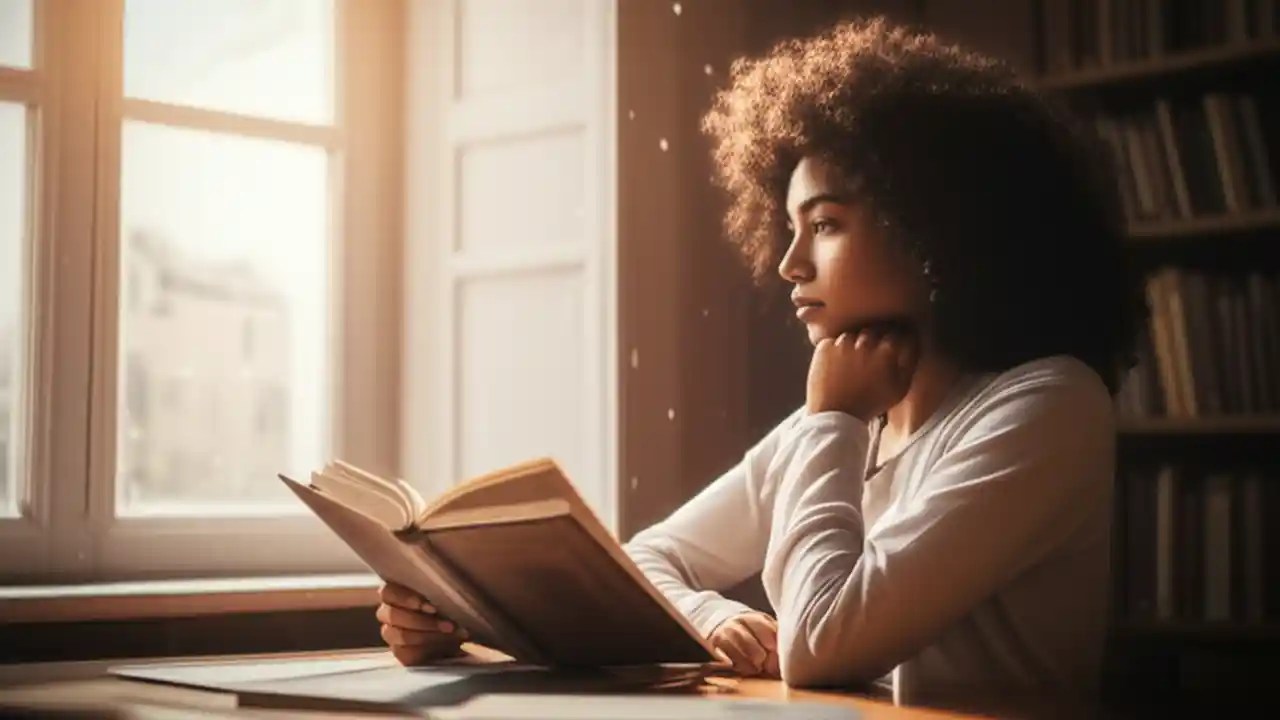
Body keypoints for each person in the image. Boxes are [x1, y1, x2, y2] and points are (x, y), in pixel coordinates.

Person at [374, 15, 1143, 717]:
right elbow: (652, 556)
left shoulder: (1048, 406)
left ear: (936, 232)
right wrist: (712, 615)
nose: (787, 263)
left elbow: (822, 643)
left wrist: (835, 419)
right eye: (786, 228)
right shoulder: (836, 420)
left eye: (827, 225)